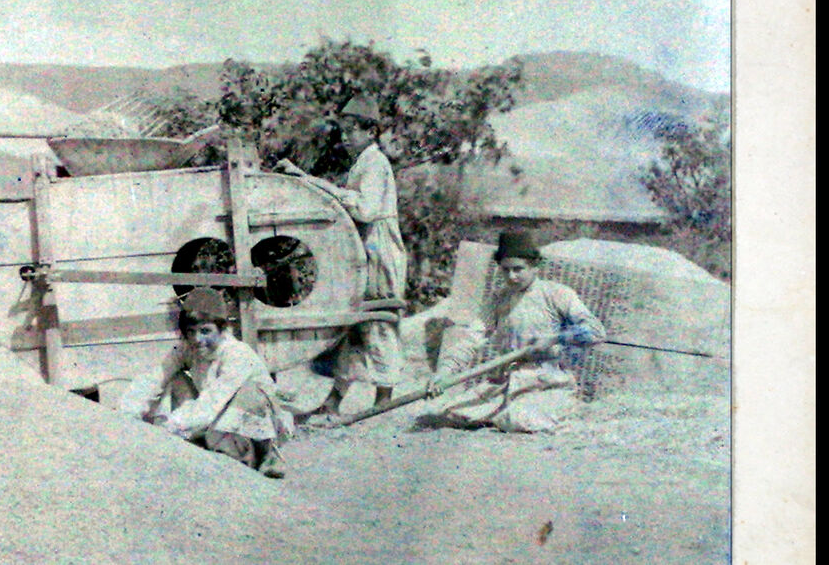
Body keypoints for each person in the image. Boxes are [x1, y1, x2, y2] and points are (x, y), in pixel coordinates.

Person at [275, 95, 408, 414]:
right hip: (365, 247)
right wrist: (307, 180)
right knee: (355, 323)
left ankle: (383, 399)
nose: (345, 138)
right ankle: (334, 401)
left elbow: (366, 209)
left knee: (378, 319)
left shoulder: (375, 163)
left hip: (378, 249)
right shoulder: (363, 162)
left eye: (351, 131)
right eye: (343, 131)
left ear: (371, 132)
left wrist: (314, 182)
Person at [423, 230, 607, 433]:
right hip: (507, 381)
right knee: (452, 412)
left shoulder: (557, 293)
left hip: (547, 382)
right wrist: (444, 372)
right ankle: (502, 411)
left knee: (518, 419)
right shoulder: (498, 298)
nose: (511, 276)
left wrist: (554, 339)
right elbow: (472, 338)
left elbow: (596, 332)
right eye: (506, 270)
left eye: (518, 269)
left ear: (535, 266)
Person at [131, 288, 293, 478]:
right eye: (191, 332)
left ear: (222, 329)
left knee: (250, 391)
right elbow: (156, 376)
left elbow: (213, 401)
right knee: (174, 379)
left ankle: (267, 456)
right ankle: (200, 442)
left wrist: (170, 427)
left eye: (206, 331)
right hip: (214, 414)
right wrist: (129, 412)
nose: (198, 339)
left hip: (254, 421)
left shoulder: (237, 354)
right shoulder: (187, 348)